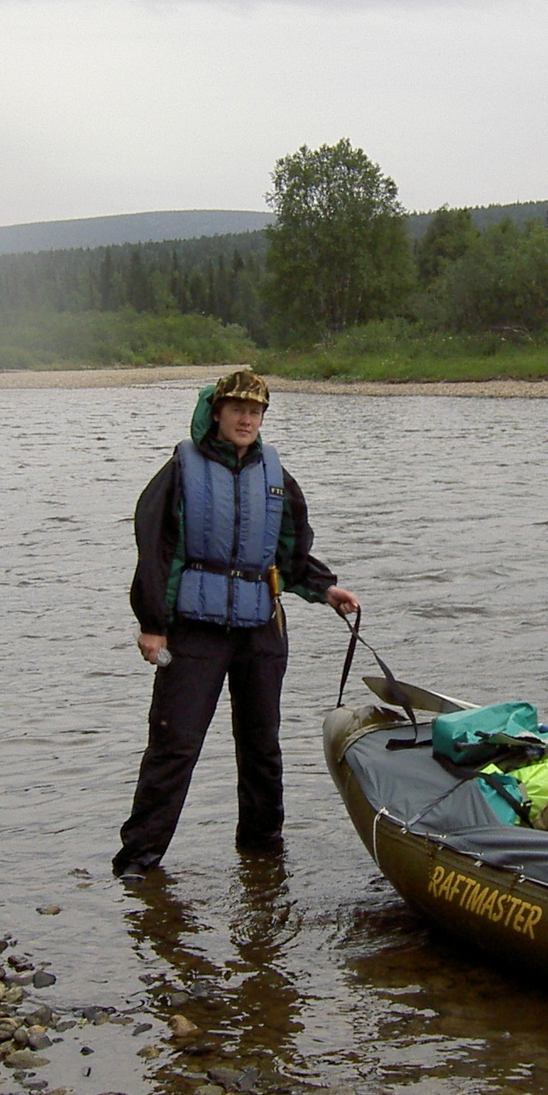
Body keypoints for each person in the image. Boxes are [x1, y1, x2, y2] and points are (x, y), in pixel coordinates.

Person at [114, 370, 359, 880]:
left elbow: (289, 550)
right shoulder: (180, 471)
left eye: (256, 411)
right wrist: (152, 625)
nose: (247, 418)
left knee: (262, 744)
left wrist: (324, 589)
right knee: (174, 744)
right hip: (194, 631)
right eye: (237, 409)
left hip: (260, 629)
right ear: (217, 413)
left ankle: (263, 853)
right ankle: (138, 861)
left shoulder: (275, 472)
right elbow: (154, 549)